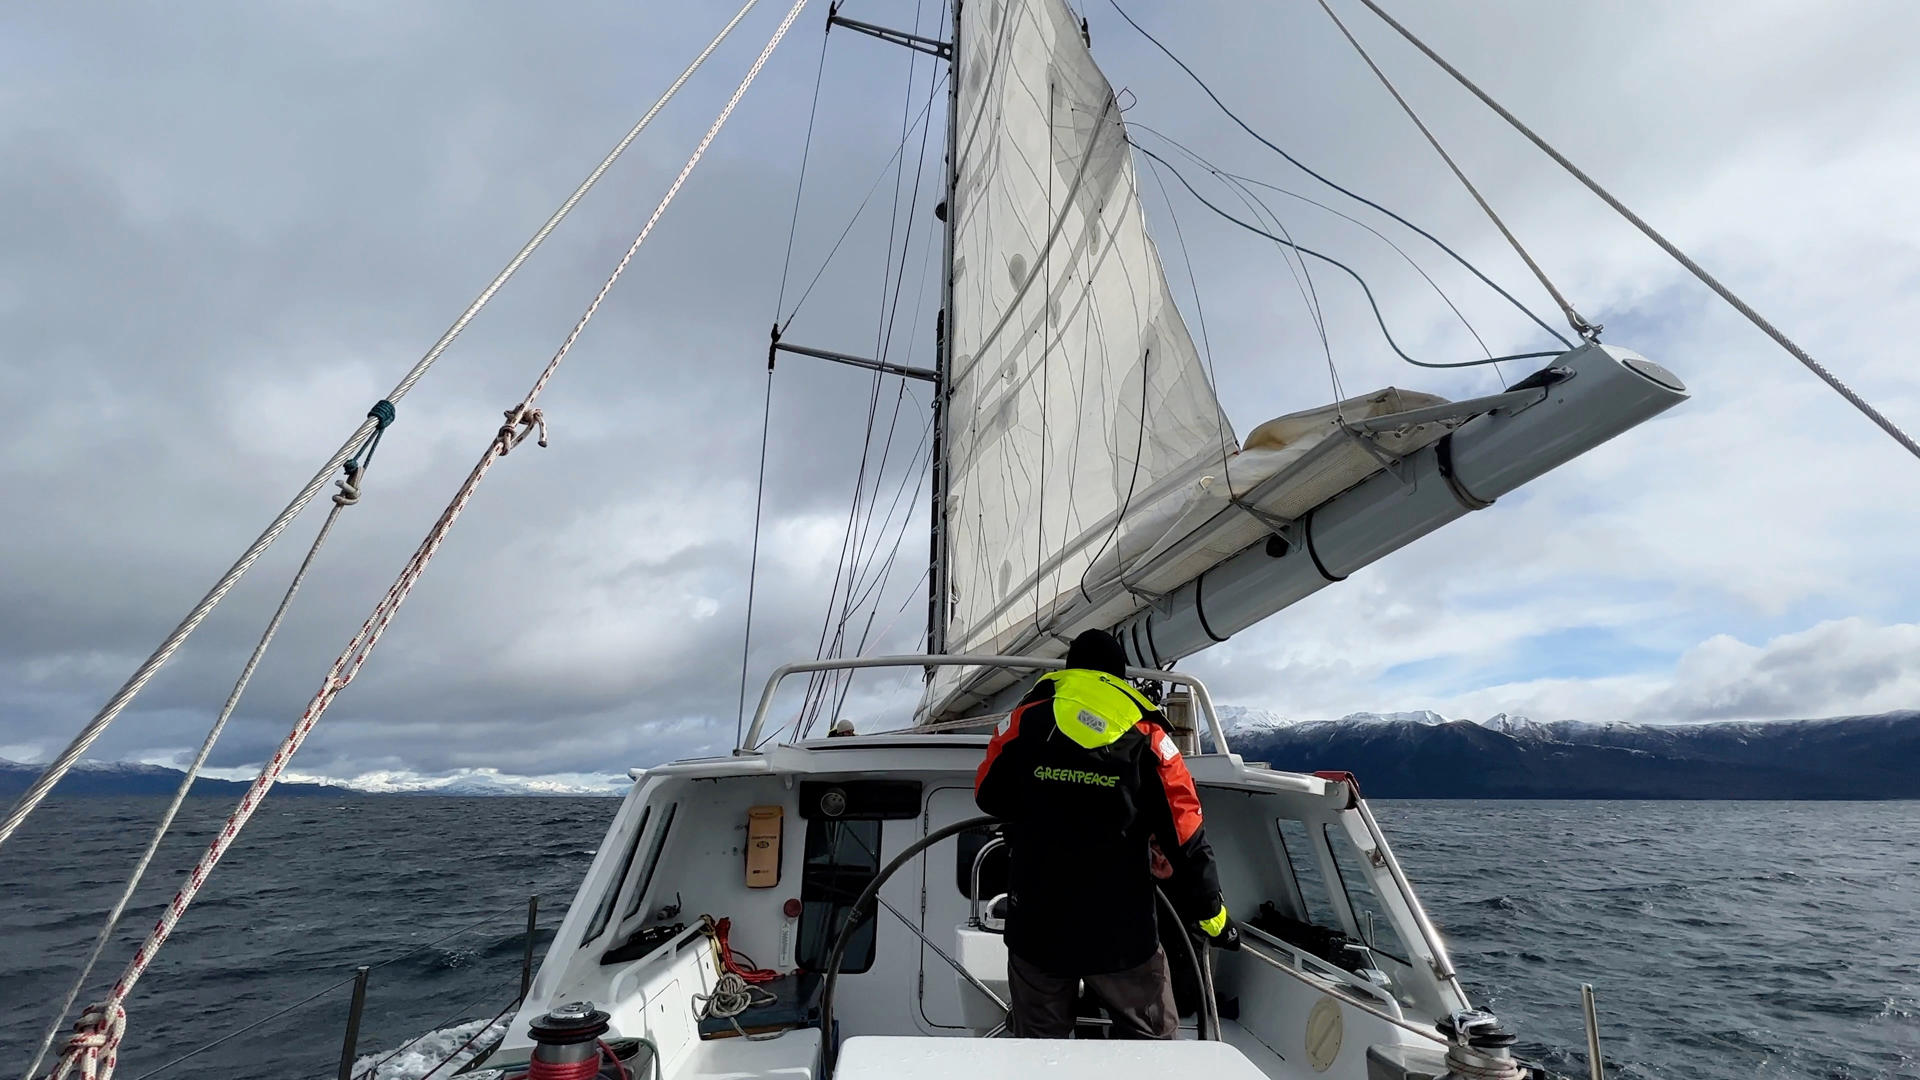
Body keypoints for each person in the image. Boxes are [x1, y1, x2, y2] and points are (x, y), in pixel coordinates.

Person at [973, 629, 1238, 1039]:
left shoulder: (1025, 720)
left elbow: (988, 794)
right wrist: (1213, 916)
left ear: (1071, 670)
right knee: (1150, 1050)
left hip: (1037, 927)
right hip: (1122, 932)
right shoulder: (1148, 733)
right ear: (1119, 675)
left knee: (1038, 1052)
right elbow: (1184, 835)